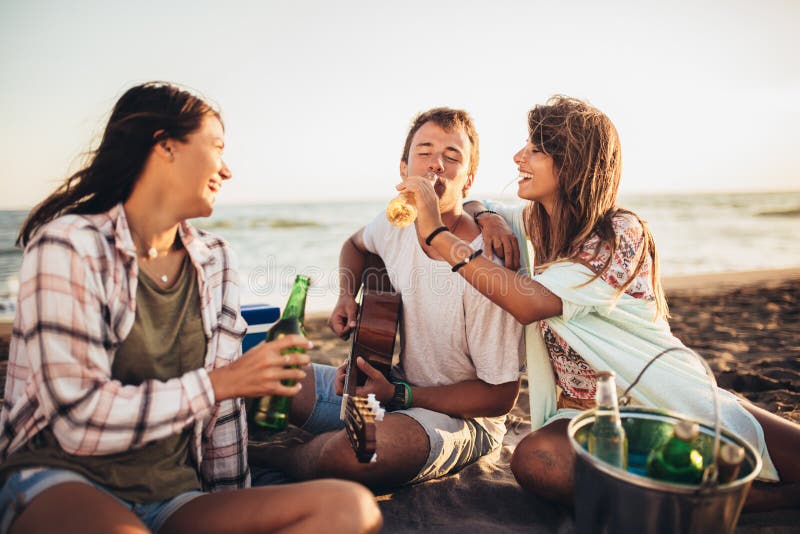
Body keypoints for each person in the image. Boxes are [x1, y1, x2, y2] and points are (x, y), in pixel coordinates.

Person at [0, 82, 382, 533]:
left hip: (173, 495)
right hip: (64, 479)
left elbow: (224, 422)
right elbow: (77, 420)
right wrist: (222, 382)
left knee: (351, 509)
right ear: (165, 146)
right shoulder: (70, 243)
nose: (227, 170)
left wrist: (230, 503)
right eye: (217, 147)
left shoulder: (216, 259)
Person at [400, 95, 800, 510]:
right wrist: (486, 214)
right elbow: (477, 203)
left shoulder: (619, 234)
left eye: (535, 150)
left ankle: (753, 499)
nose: (519, 156)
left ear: (572, 163)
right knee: (536, 462)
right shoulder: (532, 223)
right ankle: (725, 499)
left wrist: (434, 232)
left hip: (663, 400)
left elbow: (530, 303)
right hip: (581, 415)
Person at [248, 107, 524, 488]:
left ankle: (277, 455)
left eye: (452, 156)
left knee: (357, 456)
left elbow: (501, 397)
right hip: (392, 386)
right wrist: (348, 295)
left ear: (469, 179)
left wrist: (401, 394)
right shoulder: (395, 224)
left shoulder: (485, 262)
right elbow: (354, 245)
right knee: (265, 379)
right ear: (404, 170)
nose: (436, 166)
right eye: (424, 152)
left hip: (463, 419)